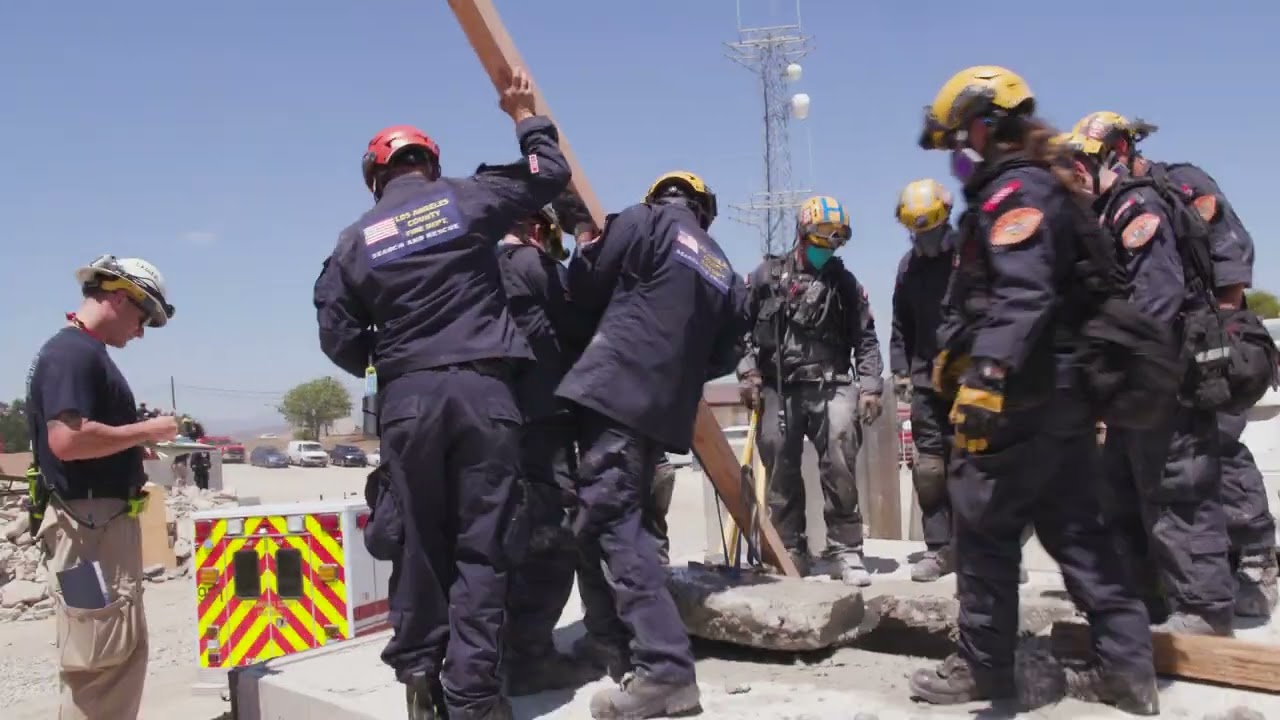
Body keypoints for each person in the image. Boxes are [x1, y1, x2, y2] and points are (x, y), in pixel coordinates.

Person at [312, 67, 570, 720]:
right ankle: (476, 701)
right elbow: (548, 175)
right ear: (429, 163)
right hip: (486, 398)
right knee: (483, 549)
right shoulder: (467, 198)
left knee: (419, 547)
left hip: (409, 402)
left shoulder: (352, 241)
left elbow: (336, 335)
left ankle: (422, 683)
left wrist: (390, 356)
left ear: (376, 177)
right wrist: (523, 116)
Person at [906, 67, 1157, 715]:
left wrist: (984, 378)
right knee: (1079, 535)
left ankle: (985, 669)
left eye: (963, 139)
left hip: (1024, 396)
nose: (961, 156)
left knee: (984, 529)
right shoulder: (1046, 186)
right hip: (1061, 397)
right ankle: (1128, 674)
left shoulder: (1015, 190)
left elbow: (1023, 294)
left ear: (985, 126)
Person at [1072, 111, 1277, 618]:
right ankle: (1187, 584)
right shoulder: (1107, 209)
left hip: (1204, 342)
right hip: (1163, 354)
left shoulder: (1177, 185)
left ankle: (1252, 560)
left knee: (1210, 455)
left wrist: (1222, 334)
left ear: (1120, 146)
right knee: (1148, 475)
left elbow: (1228, 257)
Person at [557, 170, 746, 718]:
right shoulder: (722, 269)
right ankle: (620, 648)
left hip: (614, 394)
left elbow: (586, 286)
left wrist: (583, 250)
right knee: (622, 523)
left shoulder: (645, 222)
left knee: (617, 529)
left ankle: (665, 671)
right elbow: (725, 354)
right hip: (661, 411)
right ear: (703, 210)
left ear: (660, 197)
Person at [25, 255, 180, 720]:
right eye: (141, 318)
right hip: (90, 531)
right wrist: (145, 432)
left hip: (94, 526)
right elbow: (67, 441)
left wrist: (130, 447)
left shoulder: (80, 353)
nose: (140, 332)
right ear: (117, 298)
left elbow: (81, 439)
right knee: (102, 663)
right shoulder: (73, 353)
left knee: (106, 658)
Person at [736, 194, 884, 585]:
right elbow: (739, 329)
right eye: (821, 240)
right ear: (802, 233)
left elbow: (866, 340)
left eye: (835, 242)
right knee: (780, 466)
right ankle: (789, 551)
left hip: (831, 383)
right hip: (778, 387)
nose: (828, 249)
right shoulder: (767, 277)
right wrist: (748, 373)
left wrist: (870, 387)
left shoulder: (845, 284)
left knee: (839, 457)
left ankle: (846, 550)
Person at [495, 202, 599, 695]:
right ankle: (529, 658)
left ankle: (493, 652)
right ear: (539, 230)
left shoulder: (478, 268)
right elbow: (579, 325)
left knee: (498, 536)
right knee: (552, 537)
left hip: (493, 425)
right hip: (542, 423)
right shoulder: (537, 267)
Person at [890, 178, 958, 582]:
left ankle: (992, 553)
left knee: (979, 468)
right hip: (926, 383)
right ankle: (938, 550)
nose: (922, 239)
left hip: (970, 381)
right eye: (916, 232)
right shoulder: (908, 266)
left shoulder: (970, 258)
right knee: (930, 471)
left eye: (928, 230)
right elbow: (901, 323)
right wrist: (900, 369)